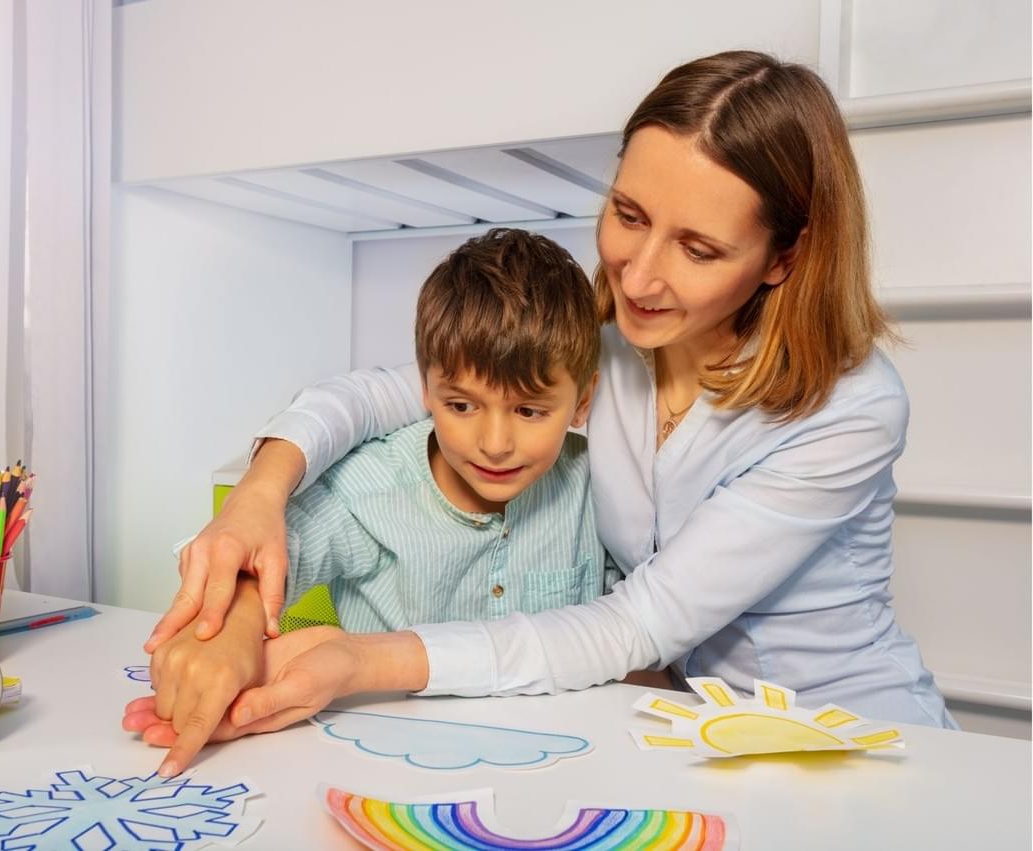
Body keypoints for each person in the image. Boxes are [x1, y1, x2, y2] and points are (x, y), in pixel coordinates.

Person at [133, 50, 956, 765]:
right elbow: (386, 390)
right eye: (628, 216)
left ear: (785, 256)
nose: (637, 277)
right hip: (695, 735)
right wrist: (259, 497)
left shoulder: (852, 408)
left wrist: (359, 660)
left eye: (698, 249)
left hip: (853, 734)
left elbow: (640, 622)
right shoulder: (606, 353)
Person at [130, 228, 656, 775]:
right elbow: (262, 555)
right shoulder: (371, 488)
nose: (495, 444)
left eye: (529, 412)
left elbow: (633, 628)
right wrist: (232, 632)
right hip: (381, 765)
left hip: (562, 765)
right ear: (424, 391)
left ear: (583, 401)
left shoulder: (598, 487)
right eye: (461, 405)